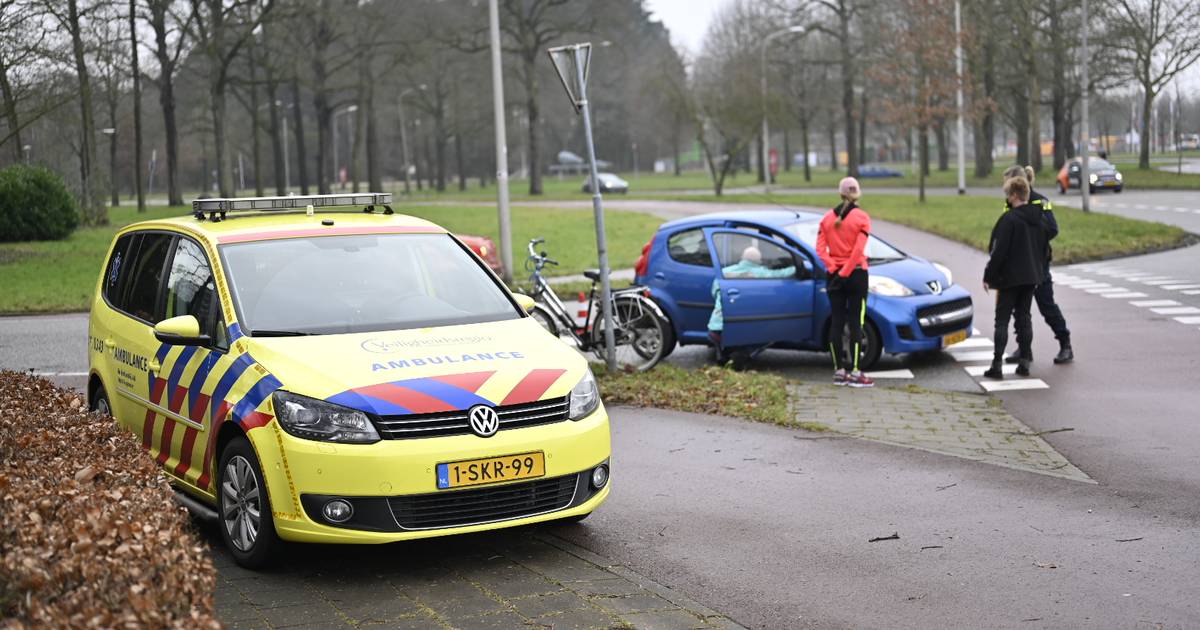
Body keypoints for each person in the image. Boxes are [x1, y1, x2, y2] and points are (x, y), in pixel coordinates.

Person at [1000, 165, 1073, 364]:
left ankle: (1065, 344)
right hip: (1018, 265)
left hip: (1038, 264)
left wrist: (1030, 229)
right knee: (1020, 309)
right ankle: (1024, 349)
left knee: (1046, 305)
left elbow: (1052, 229)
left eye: (1007, 186)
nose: (1005, 192)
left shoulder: (1041, 202)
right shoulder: (1009, 203)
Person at [983, 176, 1047, 379]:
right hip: (1031, 277)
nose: (1007, 199)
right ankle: (1025, 362)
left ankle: (997, 365)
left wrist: (988, 276)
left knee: (1001, 321)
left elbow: (998, 251)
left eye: (1008, 195)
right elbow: (1044, 249)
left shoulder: (1009, 219)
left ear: (1014, 195)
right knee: (1024, 318)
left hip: (1009, 278)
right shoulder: (1039, 219)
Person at [816, 177, 874, 388]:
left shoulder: (826, 219)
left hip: (834, 276)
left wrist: (834, 269)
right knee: (856, 322)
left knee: (837, 322)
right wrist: (847, 271)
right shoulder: (862, 218)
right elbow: (859, 250)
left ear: (840, 193)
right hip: (856, 274)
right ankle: (857, 372)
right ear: (857, 193)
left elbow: (820, 249)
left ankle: (839, 371)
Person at [707, 246, 794, 360]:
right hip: (732, 330)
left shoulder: (725, 272)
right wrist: (799, 266)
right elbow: (781, 274)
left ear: (742, 258)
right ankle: (743, 355)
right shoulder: (762, 273)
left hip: (714, 328)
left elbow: (714, 292)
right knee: (769, 333)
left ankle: (723, 353)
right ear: (758, 261)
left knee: (724, 341)